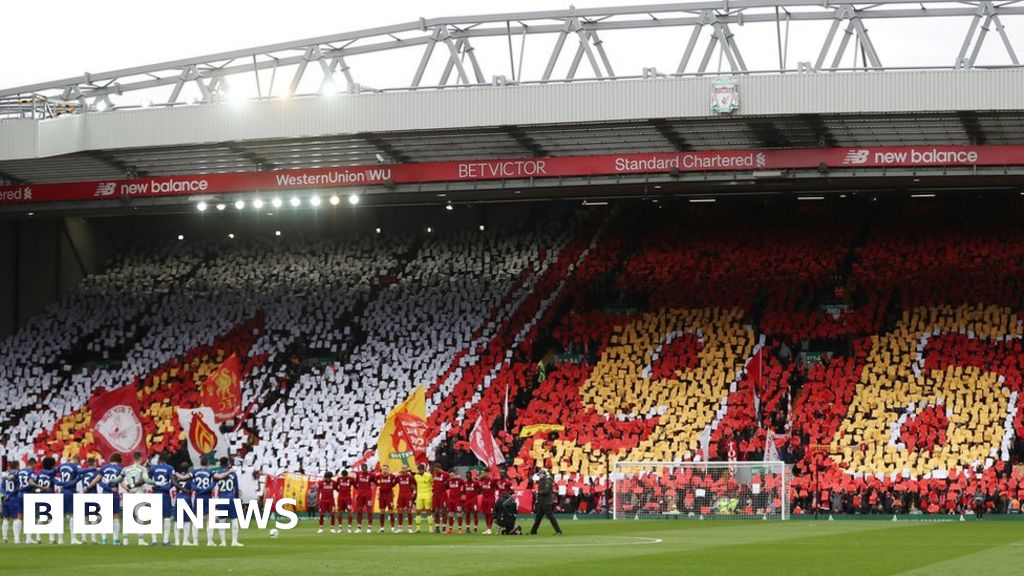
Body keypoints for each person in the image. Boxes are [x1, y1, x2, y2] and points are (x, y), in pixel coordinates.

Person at [85, 454, 125, 545]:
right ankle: (115, 539)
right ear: (119, 461)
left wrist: (87, 487)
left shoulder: (104, 468)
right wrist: (129, 489)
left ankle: (104, 539)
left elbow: (96, 480)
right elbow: (121, 483)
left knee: (104, 518)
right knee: (115, 517)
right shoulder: (119, 469)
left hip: (105, 494)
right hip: (114, 495)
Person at [214, 457, 243, 547]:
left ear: (220, 464)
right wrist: (237, 498)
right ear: (228, 463)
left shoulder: (217, 473)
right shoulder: (233, 474)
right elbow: (236, 488)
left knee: (222, 520)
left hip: (222, 497)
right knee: (234, 519)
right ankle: (234, 541)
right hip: (231, 497)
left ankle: (223, 542)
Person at [148, 454, 175, 546]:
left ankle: (154, 540)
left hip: (155, 493)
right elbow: (173, 481)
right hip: (165, 495)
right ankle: (165, 540)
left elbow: (147, 479)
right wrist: (167, 487)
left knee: (154, 518)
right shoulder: (170, 468)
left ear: (159, 460)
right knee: (166, 517)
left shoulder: (153, 468)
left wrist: (154, 484)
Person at [55, 455, 82, 545]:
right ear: (77, 460)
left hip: (62, 491)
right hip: (70, 492)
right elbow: (80, 473)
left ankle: (60, 539)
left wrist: (57, 482)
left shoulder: (62, 466)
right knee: (73, 515)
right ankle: (73, 539)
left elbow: (54, 471)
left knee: (60, 516)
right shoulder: (76, 466)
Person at [529, 468, 562, 535]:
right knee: (538, 518)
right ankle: (533, 531)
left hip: (546, 502)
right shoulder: (544, 480)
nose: (539, 476)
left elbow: (546, 491)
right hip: (542, 502)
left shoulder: (547, 481)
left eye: (540, 474)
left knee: (550, 517)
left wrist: (538, 492)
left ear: (543, 474)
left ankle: (558, 531)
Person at [374, 465, 397, 533]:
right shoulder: (379, 476)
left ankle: (392, 527)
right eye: (383, 469)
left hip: (389, 495)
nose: (384, 470)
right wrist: (378, 485)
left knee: (391, 511)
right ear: (382, 470)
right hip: (382, 495)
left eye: (386, 469)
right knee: (382, 511)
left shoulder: (391, 476)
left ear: (388, 470)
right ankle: (382, 527)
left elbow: (396, 480)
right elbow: (373, 478)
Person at [477, 469, 500, 535]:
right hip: (484, 500)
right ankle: (488, 528)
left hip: (490, 500)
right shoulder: (482, 481)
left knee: (490, 514)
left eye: (484, 473)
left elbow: (497, 486)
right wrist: (480, 477)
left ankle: (490, 528)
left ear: (488, 473)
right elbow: (477, 482)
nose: (483, 474)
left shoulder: (492, 481)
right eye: (483, 473)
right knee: (486, 514)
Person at [353, 464, 374, 533]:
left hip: (368, 495)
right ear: (361, 468)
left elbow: (375, 482)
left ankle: (369, 527)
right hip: (360, 495)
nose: (364, 469)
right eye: (362, 467)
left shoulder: (370, 475)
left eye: (365, 467)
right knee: (359, 510)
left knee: (369, 510)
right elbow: (355, 483)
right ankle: (359, 527)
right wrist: (359, 491)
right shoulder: (358, 474)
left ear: (367, 468)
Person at [413, 463, 433, 533]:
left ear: (424, 469)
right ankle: (418, 528)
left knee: (428, 511)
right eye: (419, 469)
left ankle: (430, 528)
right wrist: (415, 491)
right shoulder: (416, 476)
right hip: (419, 496)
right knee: (418, 511)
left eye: (421, 469)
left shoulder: (429, 475)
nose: (420, 471)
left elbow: (432, 483)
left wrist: (432, 492)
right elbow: (414, 484)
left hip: (427, 495)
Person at [394, 465, 416, 533]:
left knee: (409, 511)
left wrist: (414, 492)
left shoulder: (410, 477)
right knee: (400, 511)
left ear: (407, 469)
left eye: (405, 468)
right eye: (402, 468)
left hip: (408, 496)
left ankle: (410, 528)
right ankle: (400, 528)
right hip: (401, 496)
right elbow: (393, 484)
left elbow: (415, 484)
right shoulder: (398, 477)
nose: (404, 469)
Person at [1, 465, 18, 543]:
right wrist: (10, 495)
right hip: (13, 499)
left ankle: (4, 538)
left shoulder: (6, 477)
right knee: (15, 519)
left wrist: (5, 494)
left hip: (5, 499)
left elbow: (1, 487)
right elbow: (17, 488)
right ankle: (16, 539)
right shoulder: (16, 476)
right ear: (17, 467)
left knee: (5, 518)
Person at [431, 464, 449, 534]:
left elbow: (448, 485)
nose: (435, 471)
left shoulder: (446, 474)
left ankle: (444, 528)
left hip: (442, 495)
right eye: (434, 470)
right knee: (436, 511)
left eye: (436, 469)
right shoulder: (434, 474)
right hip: (435, 495)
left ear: (439, 468)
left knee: (443, 511)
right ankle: (437, 528)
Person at [446, 470, 465, 534]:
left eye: (452, 475)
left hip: (458, 500)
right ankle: (450, 529)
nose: (451, 476)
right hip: (451, 500)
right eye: (450, 475)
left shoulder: (459, 480)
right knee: (450, 514)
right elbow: (446, 486)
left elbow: (464, 484)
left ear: (455, 474)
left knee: (459, 514)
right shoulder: (449, 481)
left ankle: (460, 529)